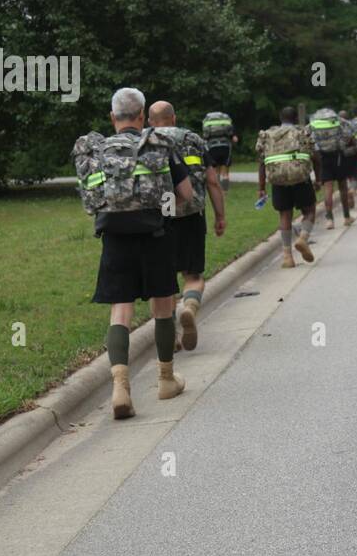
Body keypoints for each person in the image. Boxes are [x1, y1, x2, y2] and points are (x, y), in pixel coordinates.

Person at [79, 87, 197, 420]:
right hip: (156, 235)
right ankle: (165, 379)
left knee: (121, 310)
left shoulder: (99, 150)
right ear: (142, 115)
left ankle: (120, 387)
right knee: (163, 306)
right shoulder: (159, 146)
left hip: (114, 238)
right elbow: (185, 194)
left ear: (112, 117)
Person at [148, 101, 227, 352]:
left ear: (150, 121)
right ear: (174, 118)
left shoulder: (145, 142)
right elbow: (212, 181)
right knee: (193, 276)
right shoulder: (193, 139)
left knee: (164, 280)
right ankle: (190, 307)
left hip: (159, 218)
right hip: (192, 214)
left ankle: (169, 336)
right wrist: (220, 216)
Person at [257, 106, 319, 268]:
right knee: (310, 210)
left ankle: (287, 257)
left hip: (278, 181)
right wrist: (318, 179)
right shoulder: (303, 132)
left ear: (280, 118)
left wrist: (261, 187)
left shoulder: (268, 135)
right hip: (300, 179)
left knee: (285, 216)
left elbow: (262, 163)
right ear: (295, 119)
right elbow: (315, 157)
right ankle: (303, 238)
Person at [308, 107, 354, 229]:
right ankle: (347, 217)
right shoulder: (337, 120)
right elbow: (349, 131)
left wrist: (318, 148)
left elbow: (308, 137)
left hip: (323, 159)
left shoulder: (314, 123)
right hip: (339, 157)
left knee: (328, 190)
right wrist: (342, 144)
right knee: (343, 188)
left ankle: (330, 220)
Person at [202, 111, 238, 191]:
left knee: (215, 171)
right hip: (225, 147)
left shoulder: (208, 121)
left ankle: (216, 189)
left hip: (212, 148)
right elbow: (232, 135)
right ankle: (225, 191)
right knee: (225, 172)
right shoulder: (226, 120)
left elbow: (205, 136)